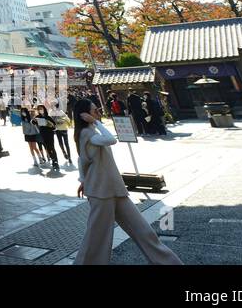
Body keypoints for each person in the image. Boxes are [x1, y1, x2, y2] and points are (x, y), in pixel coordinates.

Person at [73, 99, 182, 265]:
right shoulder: (88, 134)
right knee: (97, 238)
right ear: (85, 115)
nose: (98, 113)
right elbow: (110, 140)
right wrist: (96, 121)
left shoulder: (91, 132)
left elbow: (82, 161)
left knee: (143, 231)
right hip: (101, 192)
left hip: (115, 188)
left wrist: (82, 180)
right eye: (95, 111)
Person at [32, 105, 61, 171]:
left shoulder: (48, 117)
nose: (40, 110)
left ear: (44, 109)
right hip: (43, 134)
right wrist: (34, 120)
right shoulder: (37, 117)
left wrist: (49, 124)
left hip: (50, 134)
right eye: (39, 109)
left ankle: (55, 162)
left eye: (41, 109)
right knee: (47, 148)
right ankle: (52, 159)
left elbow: (54, 126)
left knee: (52, 147)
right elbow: (33, 122)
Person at [49, 101, 73, 165]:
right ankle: (64, 152)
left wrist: (65, 122)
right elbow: (50, 121)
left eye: (54, 105)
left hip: (64, 129)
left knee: (66, 143)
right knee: (60, 143)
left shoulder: (60, 112)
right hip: (57, 130)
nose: (53, 107)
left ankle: (70, 157)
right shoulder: (51, 113)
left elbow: (67, 119)